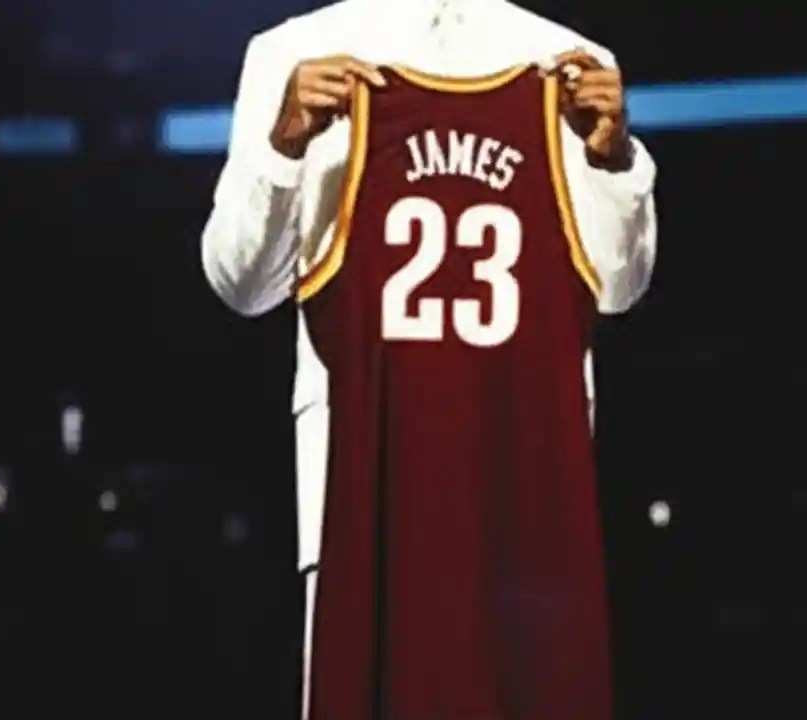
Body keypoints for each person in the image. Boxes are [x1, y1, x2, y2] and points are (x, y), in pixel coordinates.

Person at [201, 0, 657, 717]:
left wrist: (613, 160)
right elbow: (240, 283)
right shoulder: (292, 52)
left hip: (526, 484)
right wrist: (282, 146)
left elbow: (620, 289)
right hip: (362, 486)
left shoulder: (567, 61)